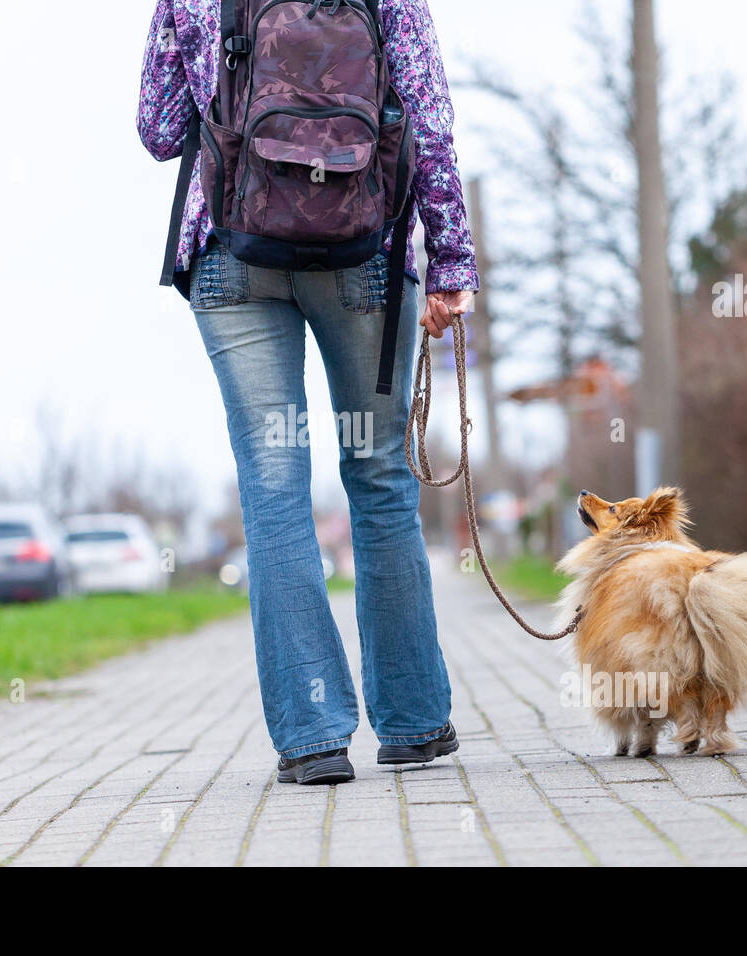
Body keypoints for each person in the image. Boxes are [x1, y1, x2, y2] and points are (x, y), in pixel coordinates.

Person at [138, 0, 478, 784]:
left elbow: (159, 131)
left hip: (234, 251)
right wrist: (452, 261)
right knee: (381, 477)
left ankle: (313, 738)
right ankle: (415, 725)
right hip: (364, 253)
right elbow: (428, 118)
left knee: (273, 489)